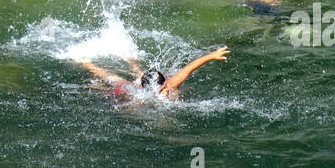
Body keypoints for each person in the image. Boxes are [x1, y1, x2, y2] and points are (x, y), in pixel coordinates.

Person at [79, 46, 230, 102]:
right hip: (138, 89)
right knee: (114, 81)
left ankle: (87, 64)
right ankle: (132, 63)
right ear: (164, 81)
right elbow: (190, 68)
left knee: (113, 80)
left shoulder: (140, 93)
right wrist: (212, 55)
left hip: (139, 88)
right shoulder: (169, 86)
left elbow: (190, 67)